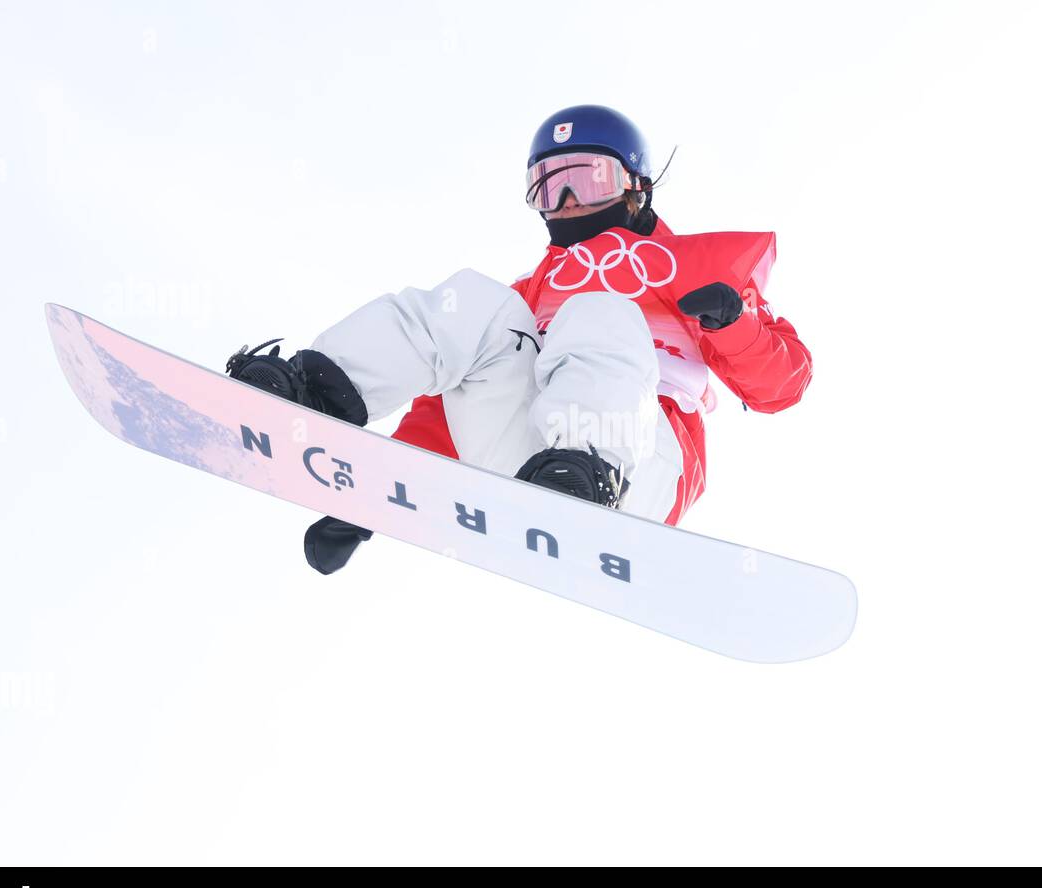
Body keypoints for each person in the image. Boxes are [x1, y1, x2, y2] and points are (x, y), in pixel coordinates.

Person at [228, 105, 812, 574]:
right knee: (471, 301)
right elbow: (449, 400)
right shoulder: (526, 298)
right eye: (549, 186)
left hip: (639, 461)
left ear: (636, 185)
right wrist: (380, 489)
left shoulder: (697, 271)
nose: (568, 203)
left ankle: (586, 475)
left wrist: (734, 323)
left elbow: (782, 385)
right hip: (526, 459)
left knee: (599, 310)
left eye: (586, 179)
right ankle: (315, 389)